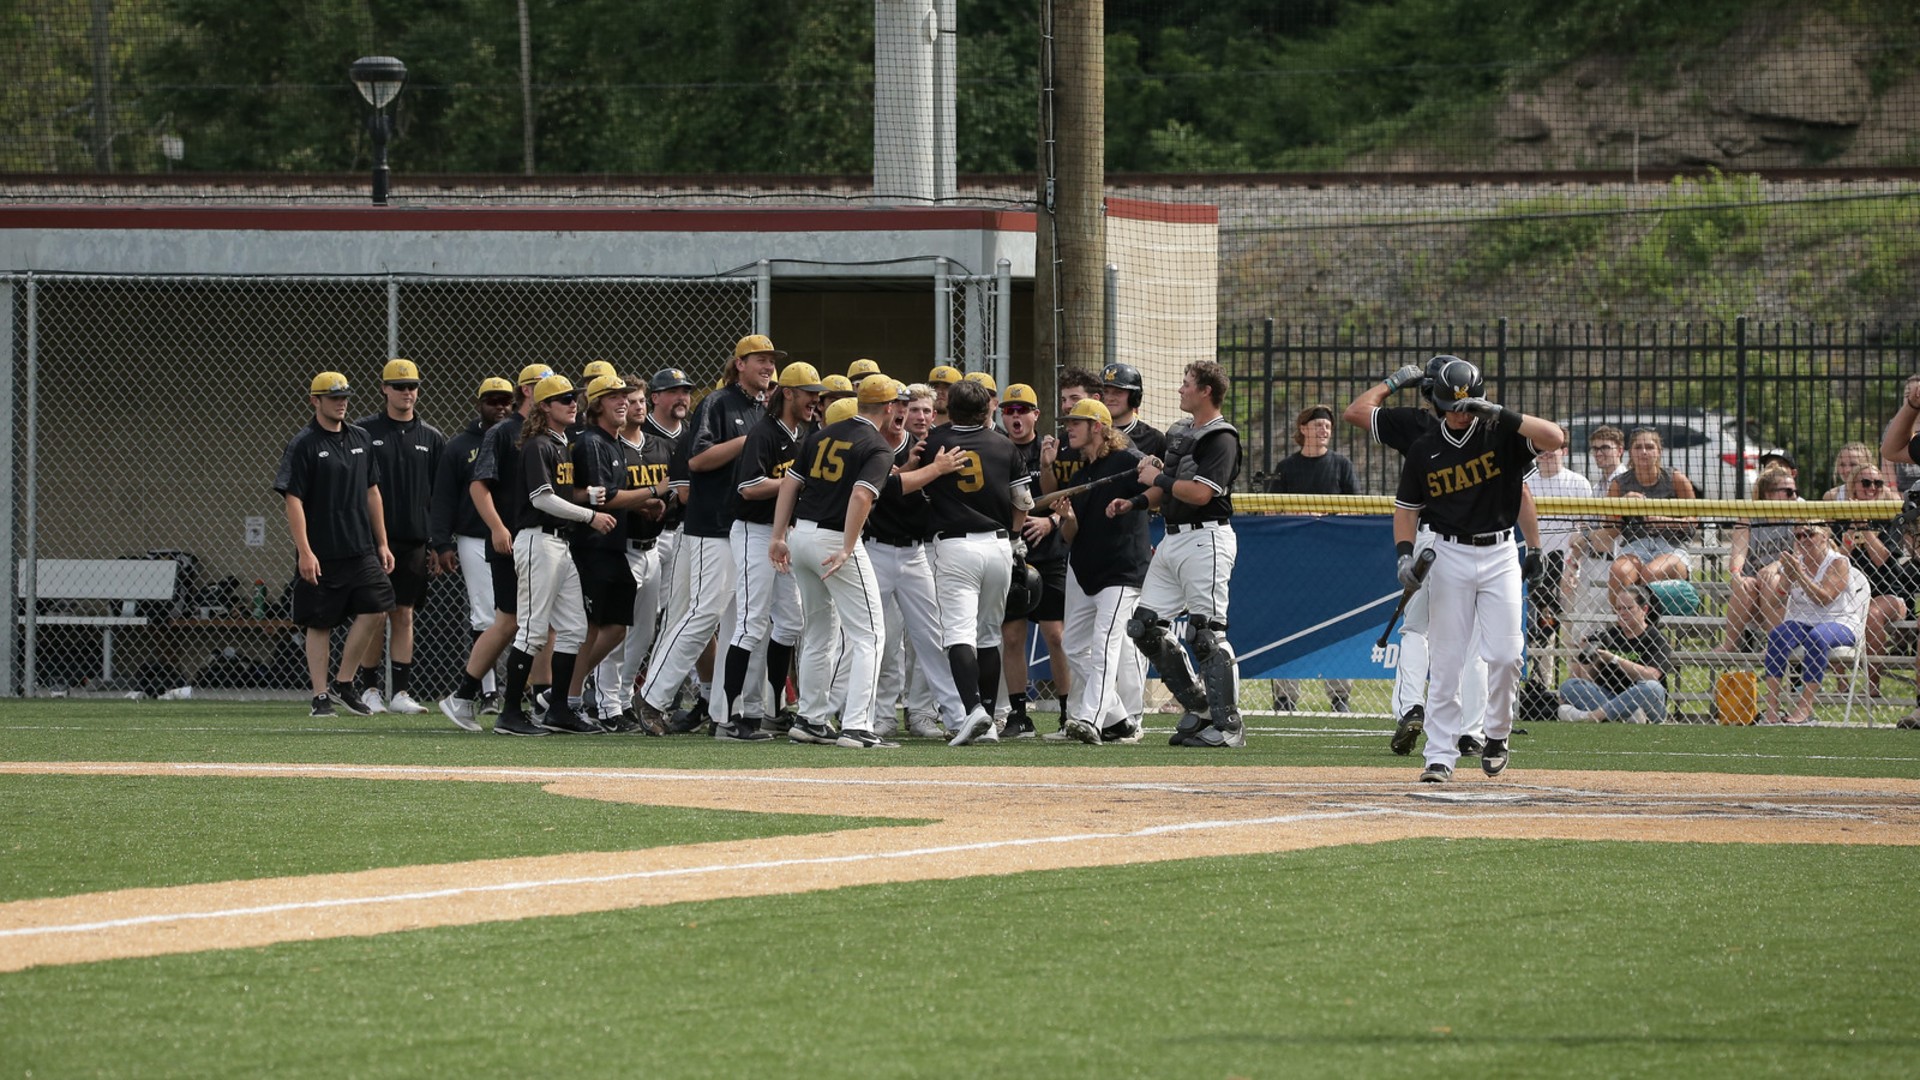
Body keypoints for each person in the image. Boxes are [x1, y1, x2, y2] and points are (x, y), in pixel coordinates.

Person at [1391, 357, 1566, 782]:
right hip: (1448, 553)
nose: (1457, 413)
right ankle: (1439, 755)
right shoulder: (1424, 448)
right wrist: (1403, 556)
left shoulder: (1501, 433)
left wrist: (1501, 414)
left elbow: (1555, 438)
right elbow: (1406, 510)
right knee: (1448, 659)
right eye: (1449, 405)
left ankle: (1498, 733)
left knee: (1506, 656)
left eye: (1465, 405)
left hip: (1500, 552)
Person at [1342, 356, 1523, 760]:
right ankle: (1471, 730)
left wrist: (1393, 381)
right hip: (1448, 538)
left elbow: (1355, 411)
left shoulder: (1414, 422)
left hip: (1433, 537)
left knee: (1419, 631)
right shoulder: (1469, 429)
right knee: (1474, 643)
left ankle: (1412, 707)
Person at [637, 335, 779, 740]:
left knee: (739, 624)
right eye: (760, 360)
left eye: (771, 361)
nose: (767, 367)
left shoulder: (761, 409)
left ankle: (725, 714)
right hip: (711, 525)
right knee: (703, 614)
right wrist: (746, 441)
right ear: (739, 364)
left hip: (744, 527)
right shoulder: (718, 403)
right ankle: (652, 697)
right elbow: (697, 460)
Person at [769, 376, 907, 748]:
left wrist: (778, 536)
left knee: (818, 632)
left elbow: (788, 485)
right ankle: (857, 725)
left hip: (801, 536)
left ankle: (811, 719)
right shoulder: (878, 445)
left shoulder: (822, 434)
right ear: (890, 407)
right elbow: (862, 496)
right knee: (870, 634)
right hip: (833, 539)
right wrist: (848, 546)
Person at [1114, 360, 1244, 749]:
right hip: (1172, 538)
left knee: (1206, 633)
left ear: (1206, 391)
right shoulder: (1181, 431)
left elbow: (1202, 493)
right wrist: (1135, 501)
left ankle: (1228, 726)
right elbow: (1166, 489)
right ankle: (1199, 706)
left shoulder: (1221, 438)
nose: (1180, 389)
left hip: (1207, 539)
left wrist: (1158, 478)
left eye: (1187, 384)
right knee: (1145, 627)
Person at [499, 374, 617, 736]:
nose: (572, 403)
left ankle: (560, 709)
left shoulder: (561, 442)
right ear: (544, 406)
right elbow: (541, 498)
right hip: (538, 541)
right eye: (563, 398)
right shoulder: (538, 444)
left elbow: (560, 494)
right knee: (533, 629)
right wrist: (590, 515)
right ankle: (510, 714)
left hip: (558, 544)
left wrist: (586, 497)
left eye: (573, 398)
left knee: (574, 628)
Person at [438, 363, 553, 735]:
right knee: (507, 620)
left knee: (543, 623)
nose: (549, 393)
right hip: (511, 539)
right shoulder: (504, 432)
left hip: (543, 540)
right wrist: (498, 528)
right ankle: (465, 694)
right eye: (541, 387)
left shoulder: (553, 432)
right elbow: (479, 486)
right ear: (526, 391)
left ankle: (541, 699)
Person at [274, 371, 395, 718]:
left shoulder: (360, 438)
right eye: (333, 397)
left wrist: (383, 543)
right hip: (322, 551)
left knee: (378, 606)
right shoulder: (304, 444)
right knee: (320, 621)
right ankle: (320, 695)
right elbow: (293, 498)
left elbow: (373, 491)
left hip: (360, 547)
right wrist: (306, 551)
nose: (341, 403)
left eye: (345, 397)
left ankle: (345, 682)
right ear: (315, 400)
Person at [920, 378, 1030, 745]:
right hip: (999, 544)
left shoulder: (935, 441)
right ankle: (987, 714)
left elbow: (910, 482)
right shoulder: (1004, 444)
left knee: (958, 633)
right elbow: (1022, 503)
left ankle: (973, 712)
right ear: (988, 411)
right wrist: (1015, 540)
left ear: (948, 409)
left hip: (955, 546)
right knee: (987, 635)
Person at [722, 361, 821, 737]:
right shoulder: (764, 432)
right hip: (754, 531)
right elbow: (748, 487)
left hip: (785, 533)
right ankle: (733, 717)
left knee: (791, 622)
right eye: (809, 394)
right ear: (789, 393)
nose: (815, 401)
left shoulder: (807, 431)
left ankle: (773, 709)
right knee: (750, 623)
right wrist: (793, 484)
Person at [866, 381, 967, 739]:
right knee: (884, 639)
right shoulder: (877, 445)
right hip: (876, 547)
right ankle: (880, 715)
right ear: (897, 411)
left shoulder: (939, 448)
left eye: (927, 410)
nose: (920, 416)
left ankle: (936, 714)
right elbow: (887, 491)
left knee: (931, 636)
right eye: (911, 409)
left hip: (920, 549)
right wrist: (911, 468)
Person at [1046, 398, 1151, 744]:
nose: (1068, 428)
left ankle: (1090, 720)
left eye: (1075, 422)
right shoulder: (1081, 474)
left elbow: (1156, 485)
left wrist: (1154, 467)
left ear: (1098, 428)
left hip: (1121, 572)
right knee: (1074, 646)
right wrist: (1069, 519)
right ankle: (1119, 718)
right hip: (1088, 572)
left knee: (1105, 645)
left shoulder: (1126, 460)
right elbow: (1069, 535)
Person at [348, 358, 444, 716]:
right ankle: (369, 688)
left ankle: (400, 693)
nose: (407, 393)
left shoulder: (431, 437)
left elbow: (439, 494)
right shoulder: (362, 432)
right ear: (384, 388)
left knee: (404, 613)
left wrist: (436, 542)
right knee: (374, 612)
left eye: (412, 386)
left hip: (414, 538)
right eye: (399, 386)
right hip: (371, 539)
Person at [563, 374, 657, 729]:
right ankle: (568, 697)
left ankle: (563, 690)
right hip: (591, 545)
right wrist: (653, 492)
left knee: (617, 626)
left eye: (625, 396)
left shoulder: (613, 441)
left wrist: (642, 506)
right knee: (590, 626)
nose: (622, 402)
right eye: (613, 397)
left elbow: (616, 498)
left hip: (612, 544)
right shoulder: (591, 442)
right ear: (597, 403)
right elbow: (606, 496)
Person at [588, 376, 674, 729]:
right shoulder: (611, 446)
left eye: (638, 401)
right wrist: (646, 499)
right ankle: (608, 705)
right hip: (620, 547)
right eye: (631, 401)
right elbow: (609, 495)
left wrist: (658, 505)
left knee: (643, 632)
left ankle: (624, 700)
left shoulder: (658, 445)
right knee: (617, 629)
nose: (635, 407)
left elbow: (667, 495)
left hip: (652, 547)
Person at [428, 376, 515, 716]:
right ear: (479, 403)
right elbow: (443, 498)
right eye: (492, 400)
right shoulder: (460, 445)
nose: (500, 406)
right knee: (484, 613)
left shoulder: (520, 439)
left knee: (515, 615)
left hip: (516, 537)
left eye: (505, 400)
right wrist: (441, 542)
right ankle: (489, 691)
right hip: (474, 537)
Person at [1265, 403, 1359, 713]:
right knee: (1288, 625)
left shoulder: (1342, 465)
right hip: (1292, 563)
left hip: (1333, 561)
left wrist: (1325, 515)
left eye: (1328, 426)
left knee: (1335, 626)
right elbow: (1269, 510)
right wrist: (1300, 514)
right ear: (1303, 428)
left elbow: (1358, 509)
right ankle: (1285, 696)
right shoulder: (1286, 467)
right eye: (1318, 424)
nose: (1324, 429)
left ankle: (1339, 696)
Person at [999, 382, 1069, 738]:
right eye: (1009, 411)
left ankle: (1067, 712)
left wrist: (1051, 521)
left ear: (1035, 415)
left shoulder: (1054, 448)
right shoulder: (996, 449)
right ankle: (1017, 714)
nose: (1016, 416)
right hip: (1012, 554)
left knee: (1055, 635)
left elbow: (1065, 498)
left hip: (1050, 553)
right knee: (1012, 636)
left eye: (1022, 410)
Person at [1760, 524, 1865, 726]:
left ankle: (1805, 706)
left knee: (1816, 638)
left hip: (1839, 620)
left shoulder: (1838, 562)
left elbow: (1824, 598)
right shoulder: (1795, 563)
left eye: (1809, 534)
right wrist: (1786, 581)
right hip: (1802, 620)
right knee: (1777, 636)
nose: (1803, 539)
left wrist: (1799, 575)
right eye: (1799, 535)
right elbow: (1775, 602)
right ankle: (1772, 706)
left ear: (1824, 536)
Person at [1595, 426, 1698, 601]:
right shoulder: (1619, 484)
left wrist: (1664, 521)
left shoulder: (1675, 479)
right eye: (1638, 447)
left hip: (1671, 546)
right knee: (1619, 571)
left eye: (1649, 447)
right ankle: (1622, 625)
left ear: (1659, 452)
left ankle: (1646, 623)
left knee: (1652, 572)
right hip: (1635, 545)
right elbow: (1611, 529)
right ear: (1630, 453)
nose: (1644, 452)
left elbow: (1693, 521)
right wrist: (1622, 506)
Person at [1836, 465, 1911, 697]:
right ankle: (1842, 685)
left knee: (1873, 614)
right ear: (1854, 488)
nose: (1872, 488)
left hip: (1890, 595)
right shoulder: (1842, 517)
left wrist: (1865, 527)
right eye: (1866, 483)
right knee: (1829, 610)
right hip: (1853, 594)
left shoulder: (1891, 517)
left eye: (1878, 483)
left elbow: (1881, 559)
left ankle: (1873, 688)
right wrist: (1852, 526)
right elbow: (1840, 560)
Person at [1714, 466, 1802, 654]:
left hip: (1787, 586)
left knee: (1772, 581)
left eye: (1795, 492)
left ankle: (1775, 644)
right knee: (1746, 583)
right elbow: (1738, 553)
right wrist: (1737, 575)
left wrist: (1777, 565)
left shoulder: (1798, 516)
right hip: (1755, 592)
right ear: (1768, 495)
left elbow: (1797, 555)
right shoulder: (1749, 516)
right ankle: (1730, 644)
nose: (1794, 496)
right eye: (1787, 492)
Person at [1556, 585, 1672, 723]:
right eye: (1619, 609)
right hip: (1610, 698)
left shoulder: (1656, 638)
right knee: (1569, 686)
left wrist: (1614, 659)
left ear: (1644, 609)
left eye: (1628, 608)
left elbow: (1651, 675)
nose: (1622, 613)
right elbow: (1587, 680)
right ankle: (1626, 716)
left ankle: (1593, 716)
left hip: (1644, 702)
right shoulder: (1610, 635)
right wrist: (1587, 656)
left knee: (1652, 687)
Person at [1523, 446, 1592, 647]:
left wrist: (1573, 565)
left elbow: (1585, 531)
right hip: (1532, 566)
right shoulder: (1525, 481)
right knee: (1535, 637)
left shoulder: (1578, 483)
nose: (1545, 453)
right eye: (1540, 449)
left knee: (1570, 634)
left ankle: (1573, 677)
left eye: (1551, 449)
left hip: (1566, 570)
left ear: (1565, 451)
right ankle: (1538, 679)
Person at [1099, 362, 1167, 459]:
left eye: (1118, 392)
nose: (1110, 398)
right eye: (1105, 392)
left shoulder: (1154, 439)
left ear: (1134, 397)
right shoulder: (1092, 432)